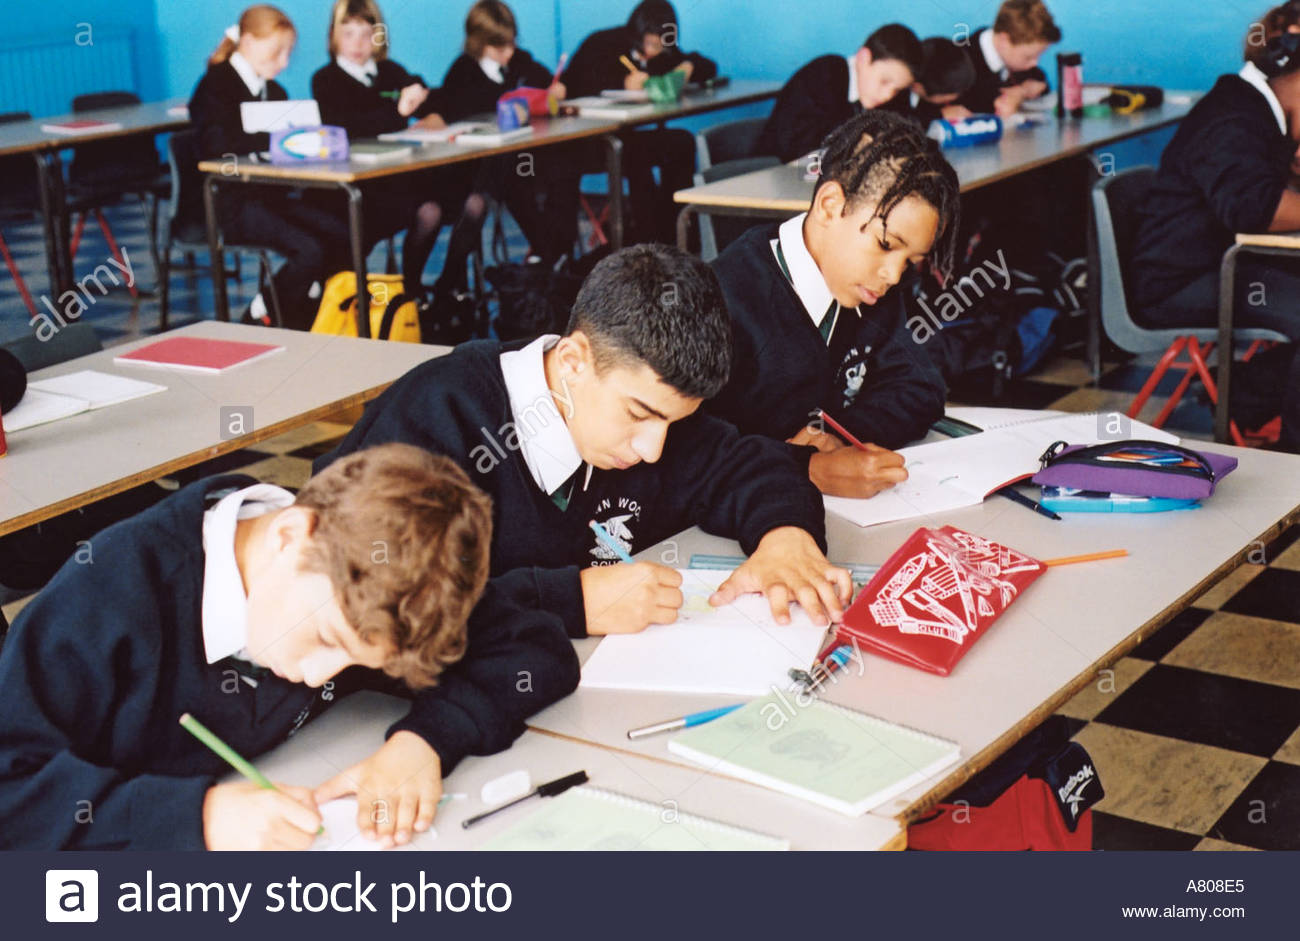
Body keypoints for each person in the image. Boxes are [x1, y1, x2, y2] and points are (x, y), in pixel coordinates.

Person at [0, 444, 581, 849]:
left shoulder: (369, 579)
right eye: (328, 640)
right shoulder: (106, 601)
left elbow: (533, 645)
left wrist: (424, 741)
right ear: (288, 534)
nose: (319, 676)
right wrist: (193, 819)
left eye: (359, 664)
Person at [316, 244, 854, 636]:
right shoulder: (437, 420)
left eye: (672, 421)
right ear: (573, 361)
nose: (653, 449)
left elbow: (749, 464)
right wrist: (571, 603)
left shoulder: (648, 400)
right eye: (639, 414)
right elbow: (367, 600)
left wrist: (785, 535)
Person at [708, 111, 959, 498]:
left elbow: (920, 386)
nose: (893, 275)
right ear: (829, 206)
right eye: (886, 245)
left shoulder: (869, 288)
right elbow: (692, 451)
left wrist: (837, 437)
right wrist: (805, 468)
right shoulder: (724, 300)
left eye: (909, 261)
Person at [1132, 21, 1300, 450]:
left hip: (1227, 263)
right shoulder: (1233, 116)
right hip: (1179, 281)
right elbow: (1254, 209)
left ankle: (1242, 393)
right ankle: (1291, 468)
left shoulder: (1260, 110)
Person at [188, 5, 350, 329]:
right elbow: (217, 146)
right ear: (247, 41)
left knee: (342, 234)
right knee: (309, 251)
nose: (285, 62)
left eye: (288, 52)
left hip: (269, 195)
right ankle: (260, 313)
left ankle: (308, 313)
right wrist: (279, 138)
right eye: (277, 51)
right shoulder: (215, 85)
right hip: (228, 202)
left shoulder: (274, 91)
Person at [311, 0, 462, 300]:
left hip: (394, 176)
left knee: (452, 200)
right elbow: (347, 126)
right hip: (354, 184)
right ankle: (342, 289)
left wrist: (423, 100)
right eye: (348, 34)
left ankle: (414, 290)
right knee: (417, 210)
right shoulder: (325, 79)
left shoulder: (389, 72)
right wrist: (399, 111)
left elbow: (423, 91)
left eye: (366, 35)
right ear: (333, 37)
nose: (358, 43)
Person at [563, 0, 718, 243]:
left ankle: (678, 232)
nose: (654, 52)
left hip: (628, 136)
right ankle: (647, 239)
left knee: (681, 143)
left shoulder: (664, 51)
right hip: (588, 141)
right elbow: (571, 84)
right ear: (636, 34)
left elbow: (706, 65)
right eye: (650, 43)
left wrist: (687, 68)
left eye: (661, 46)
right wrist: (621, 82)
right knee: (637, 157)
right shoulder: (601, 44)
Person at [437, 0, 576, 264]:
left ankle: (556, 248)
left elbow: (547, 81)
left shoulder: (520, 61)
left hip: (523, 153)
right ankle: (546, 250)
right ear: (478, 43)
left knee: (564, 164)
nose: (509, 53)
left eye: (512, 43)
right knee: (514, 174)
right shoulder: (462, 71)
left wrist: (556, 90)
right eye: (499, 47)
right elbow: (457, 113)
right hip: (479, 166)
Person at [755, 24, 922, 163]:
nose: (888, 95)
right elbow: (796, 151)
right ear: (863, 58)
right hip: (775, 172)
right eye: (884, 81)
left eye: (897, 89)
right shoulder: (824, 75)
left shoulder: (891, 95)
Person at [955, 0, 1060, 118]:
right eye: (1028, 57)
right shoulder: (957, 60)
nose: (1035, 63)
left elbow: (1039, 79)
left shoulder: (1013, 57)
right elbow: (975, 102)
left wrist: (1022, 92)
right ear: (1004, 41)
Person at [881, 37, 977, 128]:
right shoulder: (889, 95)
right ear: (917, 87)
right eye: (945, 100)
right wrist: (939, 115)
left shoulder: (945, 81)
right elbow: (896, 125)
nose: (948, 103)